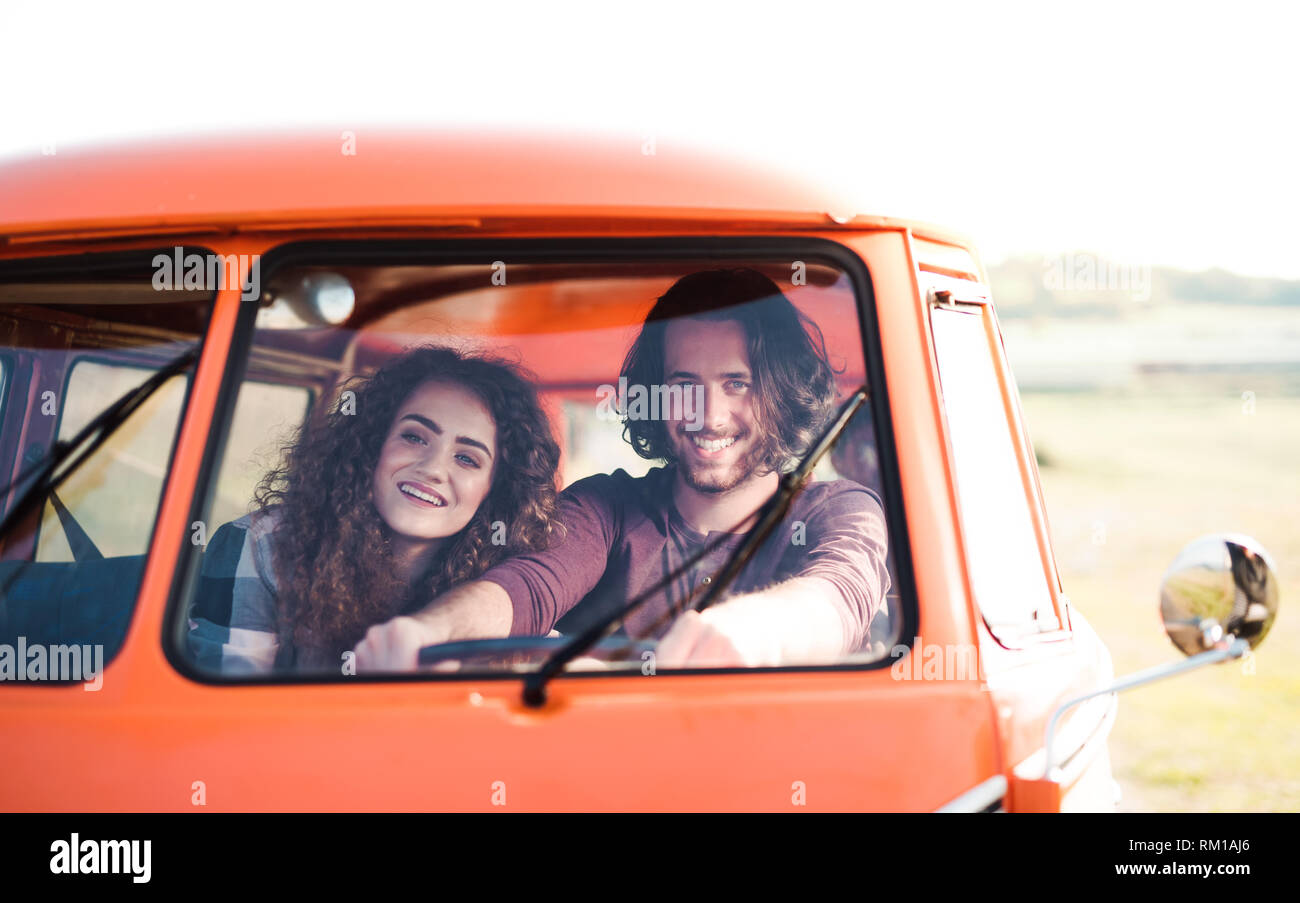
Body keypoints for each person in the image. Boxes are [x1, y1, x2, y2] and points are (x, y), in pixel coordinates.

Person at [353, 268, 891, 671]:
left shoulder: (840, 511)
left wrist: (751, 633)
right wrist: (430, 633)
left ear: (781, 394)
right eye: (683, 386)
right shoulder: (606, 509)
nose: (707, 415)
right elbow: (522, 589)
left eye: (737, 384)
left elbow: (836, 595)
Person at [186, 345, 561, 674]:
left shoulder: (511, 581)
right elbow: (227, 721)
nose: (432, 468)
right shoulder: (263, 546)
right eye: (414, 437)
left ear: (496, 488)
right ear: (372, 443)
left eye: (467, 458)